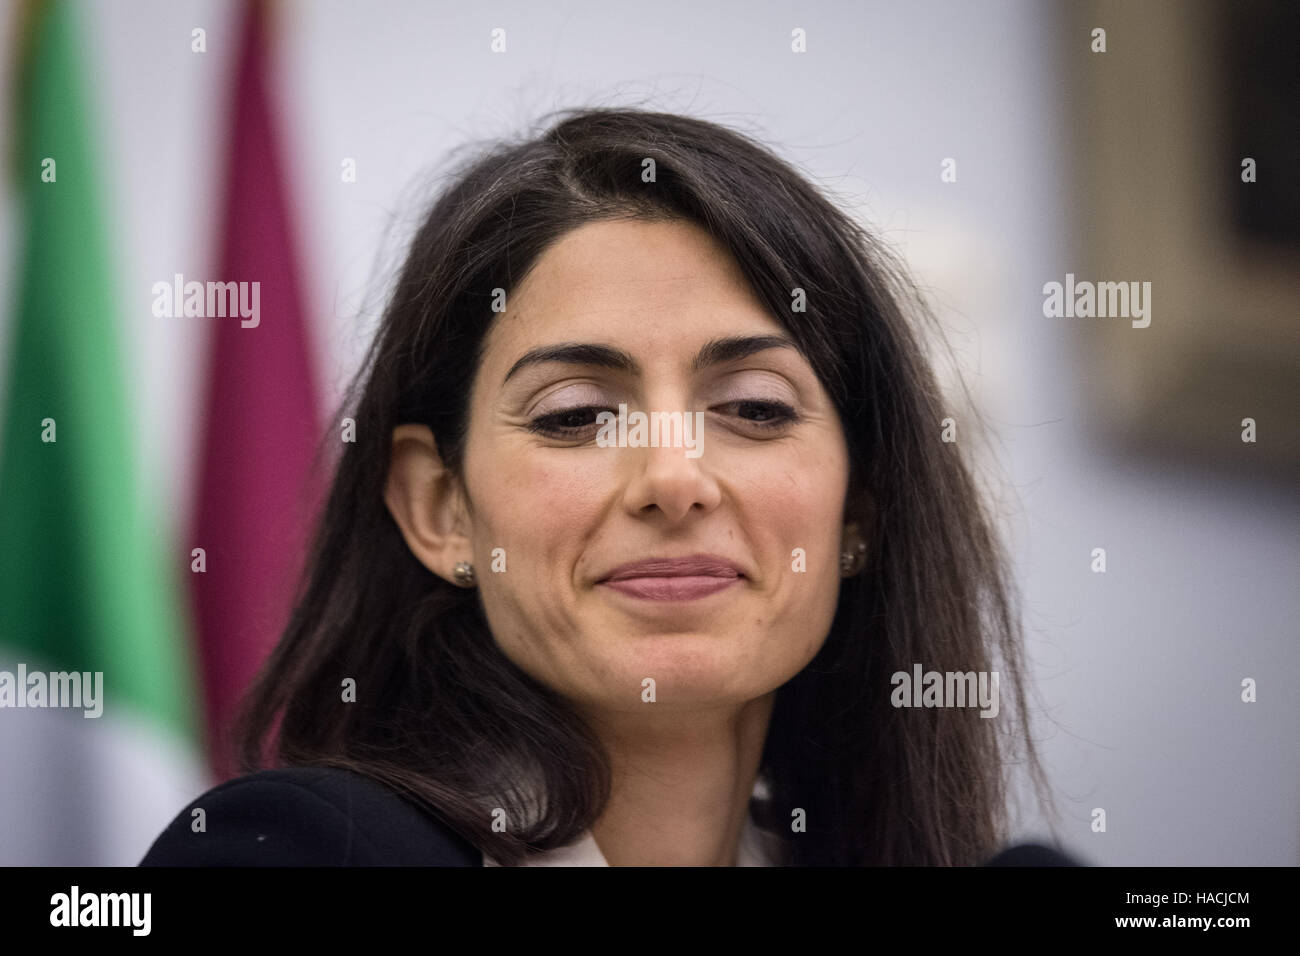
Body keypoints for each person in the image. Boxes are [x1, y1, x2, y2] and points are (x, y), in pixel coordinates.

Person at [141, 107, 1057, 867]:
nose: (672, 479)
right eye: (576, 415)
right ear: (441, 508)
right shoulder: (289, 854)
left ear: (861, 508)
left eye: (752, 407)